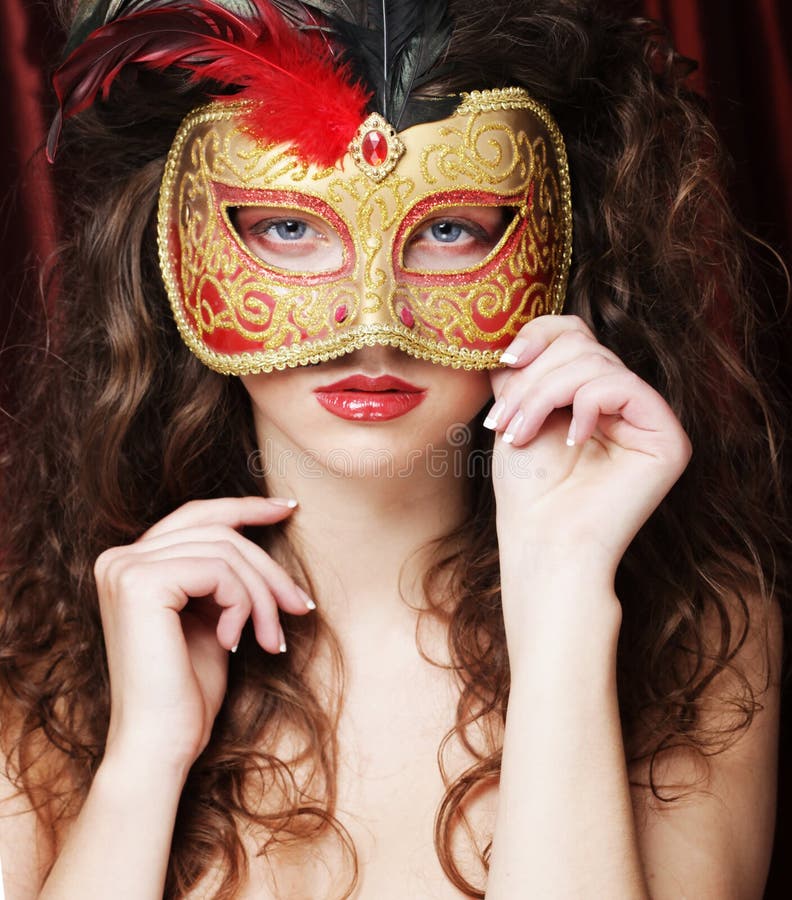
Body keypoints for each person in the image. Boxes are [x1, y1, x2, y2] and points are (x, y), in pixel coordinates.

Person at [0, 0, 787, 897]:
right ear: (171, 249)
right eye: (288, 227)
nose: (373, 330)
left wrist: (564, 596)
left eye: (449, 229)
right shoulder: (45, 660)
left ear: (564, 244)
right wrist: (140, 765)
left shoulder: (701, 634)